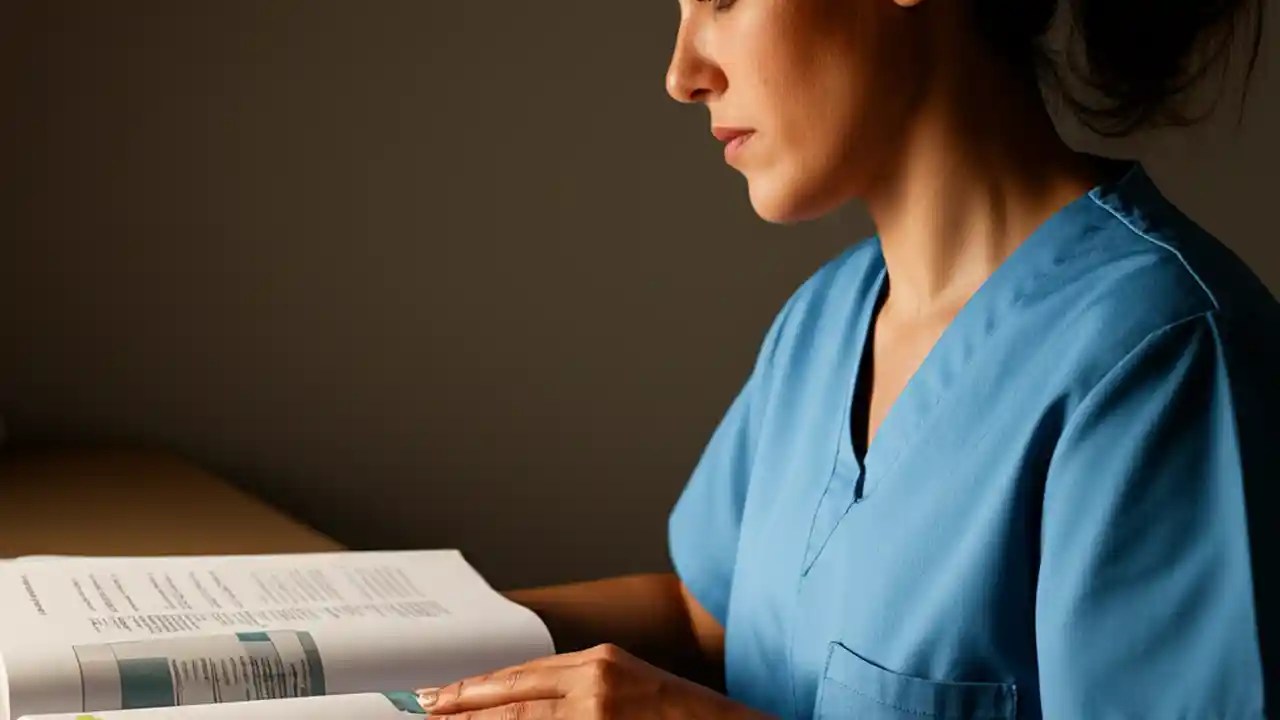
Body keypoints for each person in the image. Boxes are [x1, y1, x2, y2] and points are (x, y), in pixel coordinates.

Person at [415, 0, 1275, 716]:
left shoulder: (1162, 357)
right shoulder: (824, 321)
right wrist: (419, 638)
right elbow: (710, 615)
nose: (682, 72)